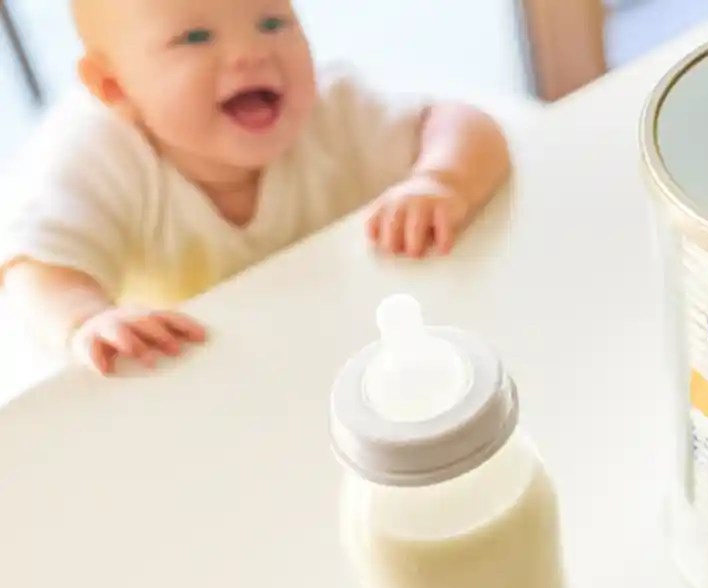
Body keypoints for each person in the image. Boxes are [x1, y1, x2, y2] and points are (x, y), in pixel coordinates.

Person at [0, 0, 511, 375]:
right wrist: (87, 320)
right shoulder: (98, 157)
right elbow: (35, 264)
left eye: (273, 23)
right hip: (191, 384)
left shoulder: (330, 114)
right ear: (115, 87)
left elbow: (460, 121)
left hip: (343, 354)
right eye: (194, 38)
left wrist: (441, 180)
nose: (249, 53)